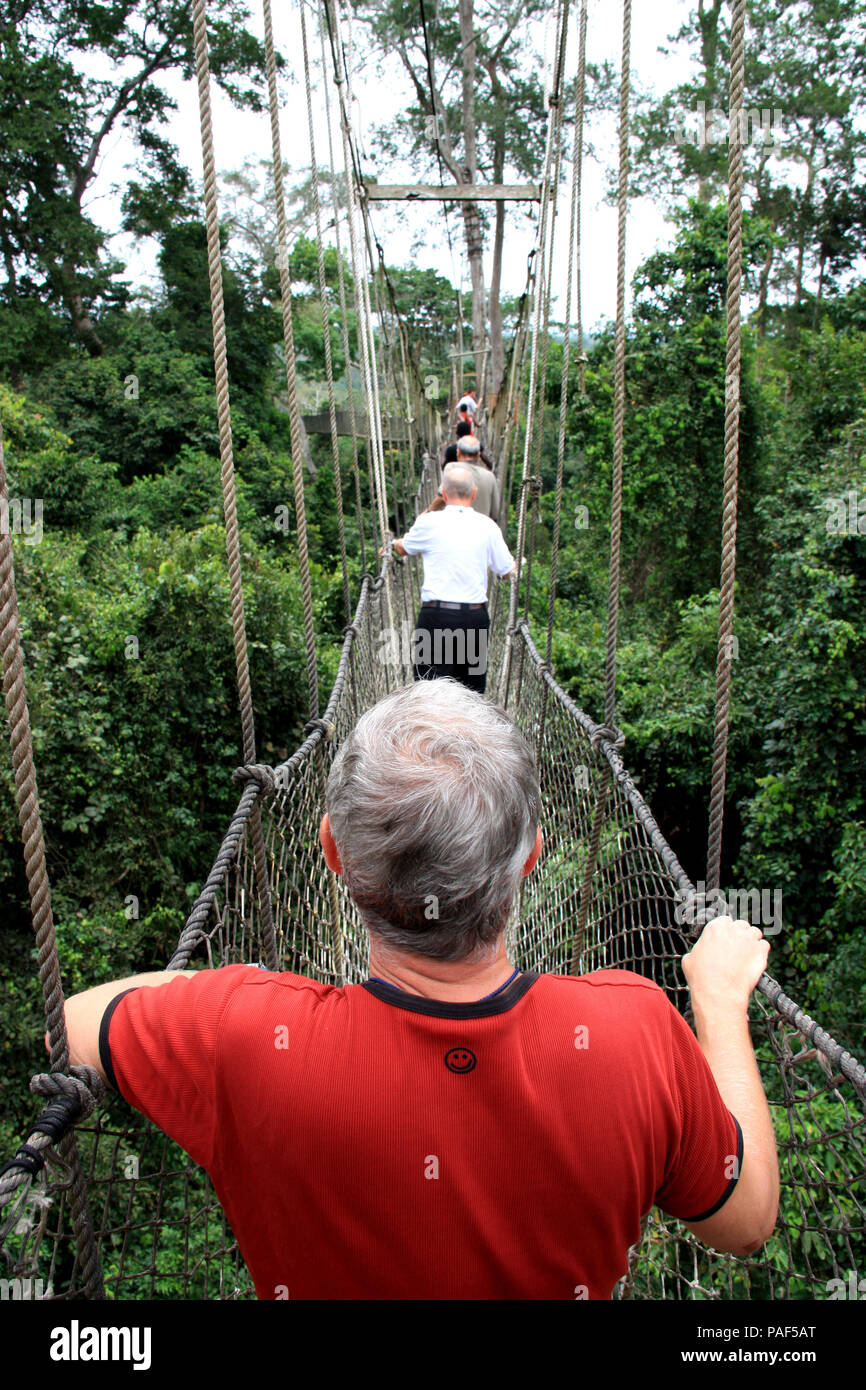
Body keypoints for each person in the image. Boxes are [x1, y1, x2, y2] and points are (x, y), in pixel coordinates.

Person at [60, 680, 779, 1301]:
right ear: (532, 854)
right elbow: (746, 1223)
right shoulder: (636, 1032)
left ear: (333, 852)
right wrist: (718, 1003)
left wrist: (216, 995)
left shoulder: (240, 1039)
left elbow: (66, 1024)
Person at [394, 463, 515, 693]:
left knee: (428, 695)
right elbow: (507, 570)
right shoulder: (488, 526)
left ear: (444, 493)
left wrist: (394, 543)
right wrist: (519, 564)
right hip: (474, 619)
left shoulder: (428, 522)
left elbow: (403, 548)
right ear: (475, 493)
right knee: (470, 696)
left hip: (436, 617)